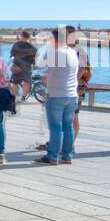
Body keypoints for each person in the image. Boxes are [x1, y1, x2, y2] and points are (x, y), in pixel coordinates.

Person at [36, 27, 79, 165]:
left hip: (56, 95)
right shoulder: (73, 52)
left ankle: (52, 156)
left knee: (56, 127)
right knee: (68, 127)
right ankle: (67, 156)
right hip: (72, 94)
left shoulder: (54, 54)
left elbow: (46, 75)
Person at [66, 26, 92, 145]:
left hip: (76, 88)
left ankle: (69, 145)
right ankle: (63, 143)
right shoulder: (67, 49)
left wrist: (72, 81)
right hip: (67, 87)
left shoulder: (79, 50)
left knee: (73, 117)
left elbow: (83, 69)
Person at [10, 30, 36, 101]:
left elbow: (12, 54)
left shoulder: (16, 45)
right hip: (27, 68)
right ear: (28, 37)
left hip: (17, 66)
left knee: (14, 83)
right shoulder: (32, 47)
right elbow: (36, 57)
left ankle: (14, 98)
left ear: (22, 36)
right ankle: (23, 97)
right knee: (26, 83)